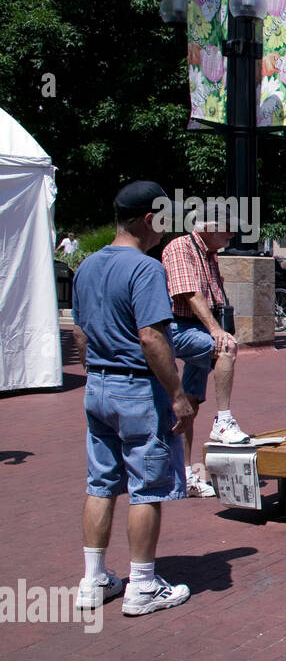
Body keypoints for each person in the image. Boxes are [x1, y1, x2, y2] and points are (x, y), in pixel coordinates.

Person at [72, 181, 194, 616]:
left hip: (98, 385)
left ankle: (93, 579)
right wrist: (177, 393)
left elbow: (81, 330)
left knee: (101, 483)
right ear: (148, 219)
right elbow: (151, 336)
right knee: (148, 487)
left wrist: (97, 371)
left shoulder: (87, 267)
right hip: (137, 388)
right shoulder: (146, 269)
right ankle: (141, 584)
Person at [160, 219, 250, 498]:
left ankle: (185, 475)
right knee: (226, 347)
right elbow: (189, 294)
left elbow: (213, 296)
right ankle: (223, 420)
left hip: (195, 328)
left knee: (189, 406)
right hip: (176, 327)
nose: (232, 234)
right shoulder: (181, 247)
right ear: (209, 227)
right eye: (228, 228)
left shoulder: (210, 254)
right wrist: (216, 330)